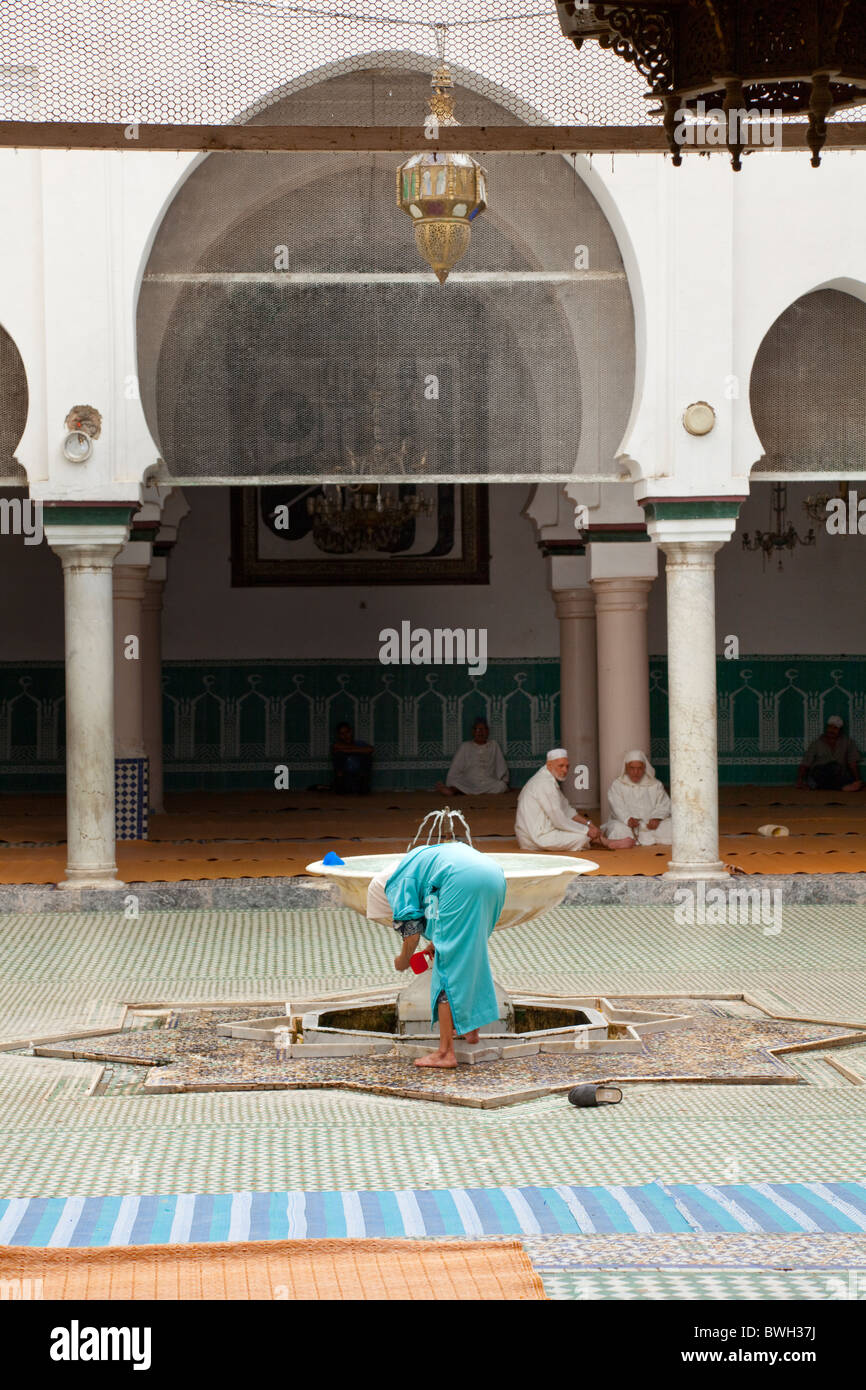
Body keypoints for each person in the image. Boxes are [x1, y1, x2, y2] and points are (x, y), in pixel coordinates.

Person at [366, 840, 506, 1069]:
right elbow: (437, 908)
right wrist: (434, 941)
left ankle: (445, 1053)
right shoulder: (417, 864)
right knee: (470, 954)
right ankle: (471, 1028)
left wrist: (402, 961)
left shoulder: (396, 883)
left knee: (446, 966)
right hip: (494, 875)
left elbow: (411, 932)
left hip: (461, 880)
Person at [515, 748, 615, 852]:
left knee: (580, 832)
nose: (565, 770)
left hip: (538, 833)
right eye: (561, 766)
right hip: (535, 838)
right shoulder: (544, 783)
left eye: (567, 766)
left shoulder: (548, 779)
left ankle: (603, 841)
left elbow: (567, 810)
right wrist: (587, 831)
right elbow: (559, 820)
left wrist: (589, 824)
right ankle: (605, 842)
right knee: (581, 837)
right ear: (549, 765)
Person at [603, 750, 673, 847]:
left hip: (650, 825)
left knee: (672, 825)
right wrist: (628, 819)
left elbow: (664, 804)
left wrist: (657, 818)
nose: (635, 772)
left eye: (639, 768)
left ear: (644, 768)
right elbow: (617, 806)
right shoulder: (618, 784)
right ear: (626, 768)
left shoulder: (655, 784)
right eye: (632, 768)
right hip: (627, 824)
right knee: (617, 829)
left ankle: (640, 839)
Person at [435, 717, 509, 797]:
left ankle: (463, 792)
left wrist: (505, 779)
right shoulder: (465, 746)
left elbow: (500, 764)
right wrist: (453, 781)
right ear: (473, 732)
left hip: (488, 782)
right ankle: (453, 790)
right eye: (477, 729)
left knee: (501, 785)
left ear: (487, 732)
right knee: (458, 784)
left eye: (483, 729)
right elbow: (455, 768)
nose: (480, 732)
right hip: (469, 781)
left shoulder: (494, 745)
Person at [796, 716, 862, 791]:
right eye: (830, 727)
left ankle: (818, 786)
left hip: (838, 776)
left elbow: (852, 763)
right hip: (819, 774)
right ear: (827, 728)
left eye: (835, 728)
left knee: (842, 774)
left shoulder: (848, 742)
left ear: (840, 730)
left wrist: (858, 781)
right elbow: (805, 763)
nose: (832, 730)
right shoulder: (817, 743)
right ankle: (842, 788)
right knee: (833, 767)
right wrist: (799, 780)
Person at [332, 722, 373, 795]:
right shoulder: (337, 744)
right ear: (339, 735)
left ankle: (362, 786)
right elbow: (336, 747)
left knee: (367, 756)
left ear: (351, 732)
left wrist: (348, 750)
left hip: (359, 776)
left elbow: (370, 749)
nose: (345, 736)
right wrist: (359, 750)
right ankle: (340, 785)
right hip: (345, 776)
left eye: (347, 732)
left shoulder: (359, 743)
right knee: (338, 755)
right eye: (342, 734)